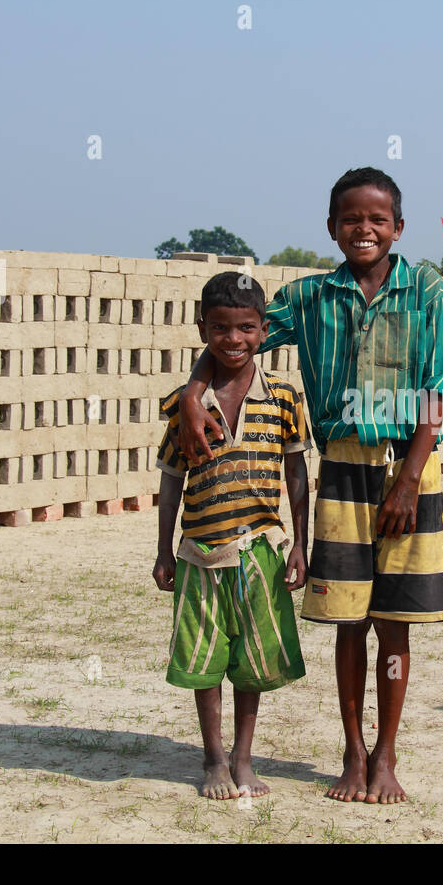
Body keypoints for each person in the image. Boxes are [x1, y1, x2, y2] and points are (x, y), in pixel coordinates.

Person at [175, 167, 443, 804]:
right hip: (341, 466)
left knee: (395, 623)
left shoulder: (429, 293)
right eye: (351, 220)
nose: (364, 230)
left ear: (398, 228)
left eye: (377, 220)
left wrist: (409, 478)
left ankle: (386, 755)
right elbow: (237, 338)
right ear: (331, 228)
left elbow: (437, 393)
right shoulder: (309, 297)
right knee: (346, 620)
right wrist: (195, 393)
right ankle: (352, 754)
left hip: (407, 466)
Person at [152, 271, 311, 800]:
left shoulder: (285, 398)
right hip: (199, 553)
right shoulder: (183, 404)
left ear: (264, 331)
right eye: (220, 328)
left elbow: (296, 475)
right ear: (202, 329)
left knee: (252, 660)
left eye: (245, 328)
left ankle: (244, 758)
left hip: (261, 551)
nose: (232, 340)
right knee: (204, 660)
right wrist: (162, 550)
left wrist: (301, 546)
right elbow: (172, 478)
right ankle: (213, 759)